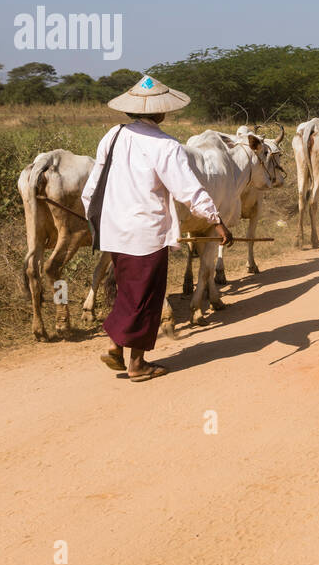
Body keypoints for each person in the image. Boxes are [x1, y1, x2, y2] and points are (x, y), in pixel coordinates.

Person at [82, 75, 232, 381]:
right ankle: (137, 363)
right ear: (163, 112)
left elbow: (94, 183)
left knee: (128, 290)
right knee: (147, 296)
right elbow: (187, 189)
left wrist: (93, 216)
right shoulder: (166, 145)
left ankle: (114, 345)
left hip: (114, 228)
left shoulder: (112, 135)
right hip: (146, 231)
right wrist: (216, 219)